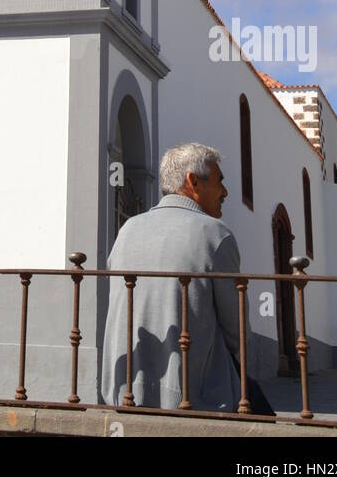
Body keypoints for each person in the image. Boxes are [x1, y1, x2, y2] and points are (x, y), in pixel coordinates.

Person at [101, 141, 273, 414]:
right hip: (195, 396)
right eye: (219, 181)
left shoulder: (127, 230)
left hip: (124, 391)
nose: (225, 192)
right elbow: (236, 330)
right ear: (193, 182)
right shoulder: (215, 234)